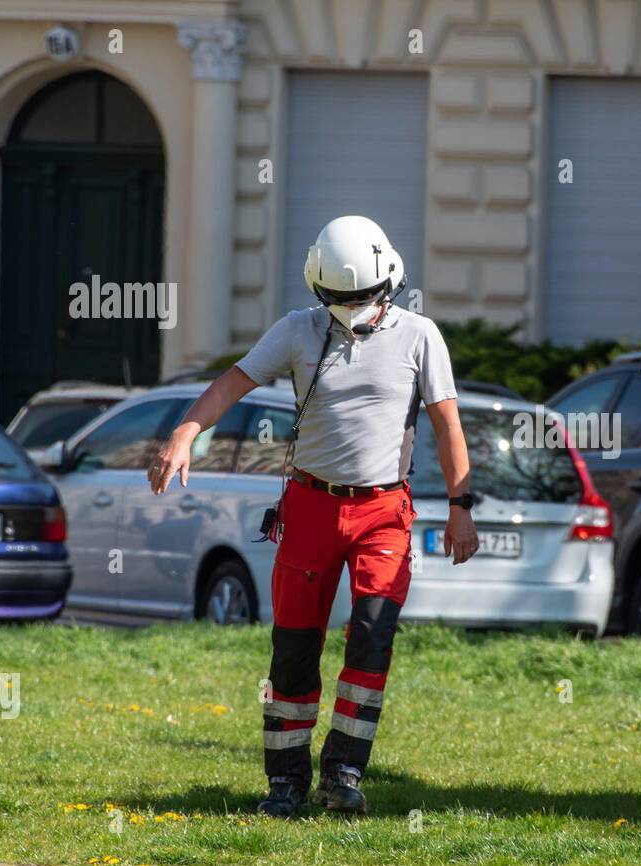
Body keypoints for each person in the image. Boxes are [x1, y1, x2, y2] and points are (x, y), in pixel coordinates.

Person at [147, 215, 480, 817]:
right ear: (318, 290)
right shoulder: (298, 331)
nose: (351, 308)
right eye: (339, 299)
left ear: (389, 281)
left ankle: (345, 773)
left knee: (372, 640)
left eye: (362, 297)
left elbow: (448, 425)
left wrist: (461, 508)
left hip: (383, 511)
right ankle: (286, 781)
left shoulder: (420, 335)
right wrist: (183, 433)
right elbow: (232, 383)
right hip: (309, 507)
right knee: (294, 650)